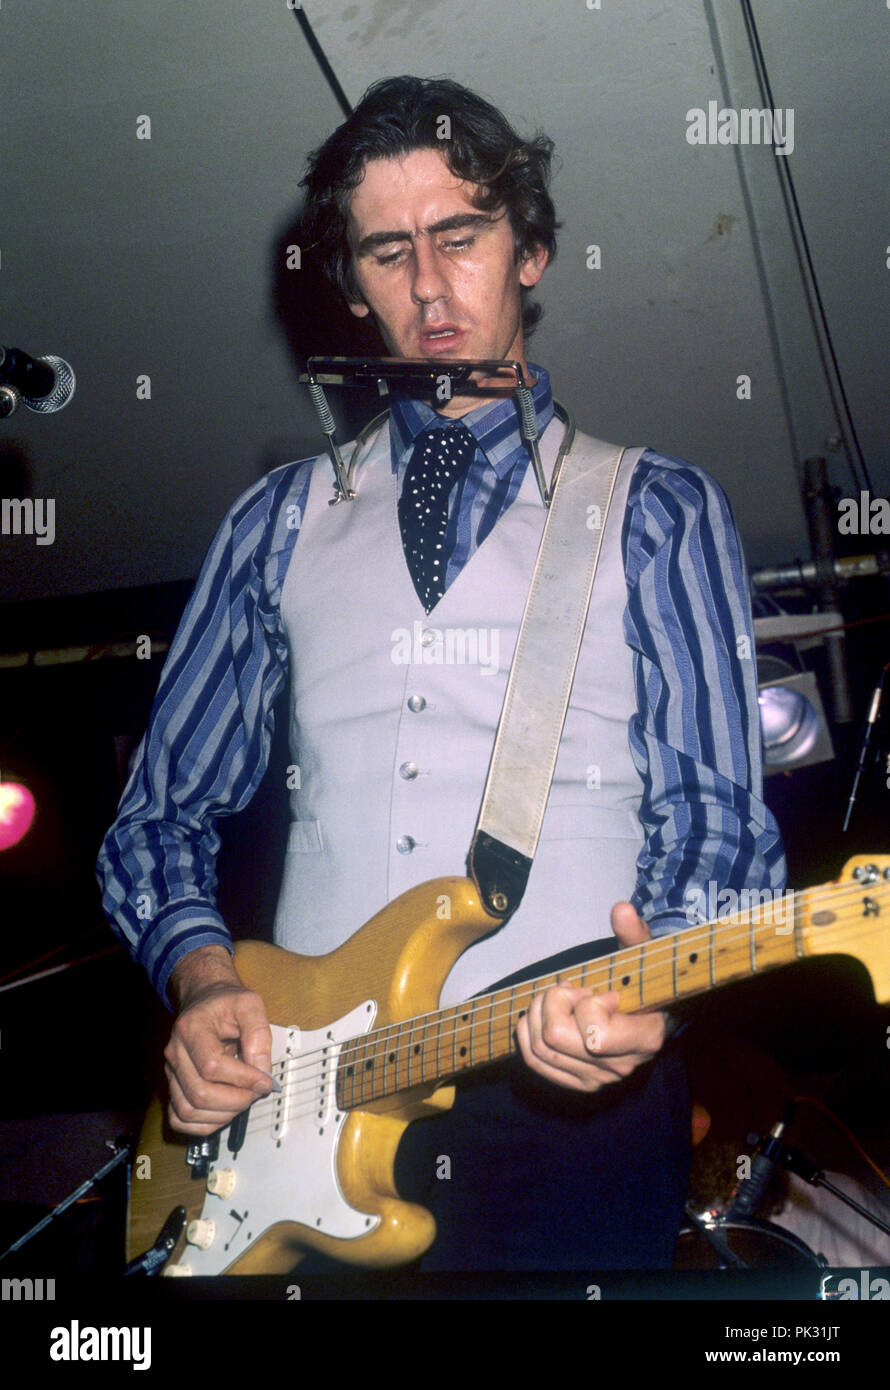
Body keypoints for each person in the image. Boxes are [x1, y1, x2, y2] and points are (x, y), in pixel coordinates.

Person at [97, 75, 786, 1273]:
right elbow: (157, 816)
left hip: (568, 1107)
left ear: (531, 251)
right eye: (386, 251)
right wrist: (203, 983)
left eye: (459, 236)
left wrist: (650, 991)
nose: (425, 284)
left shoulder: (655, 507)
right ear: (350, 283)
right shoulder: (275, 520)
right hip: (290, 1125)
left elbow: (716, 823)